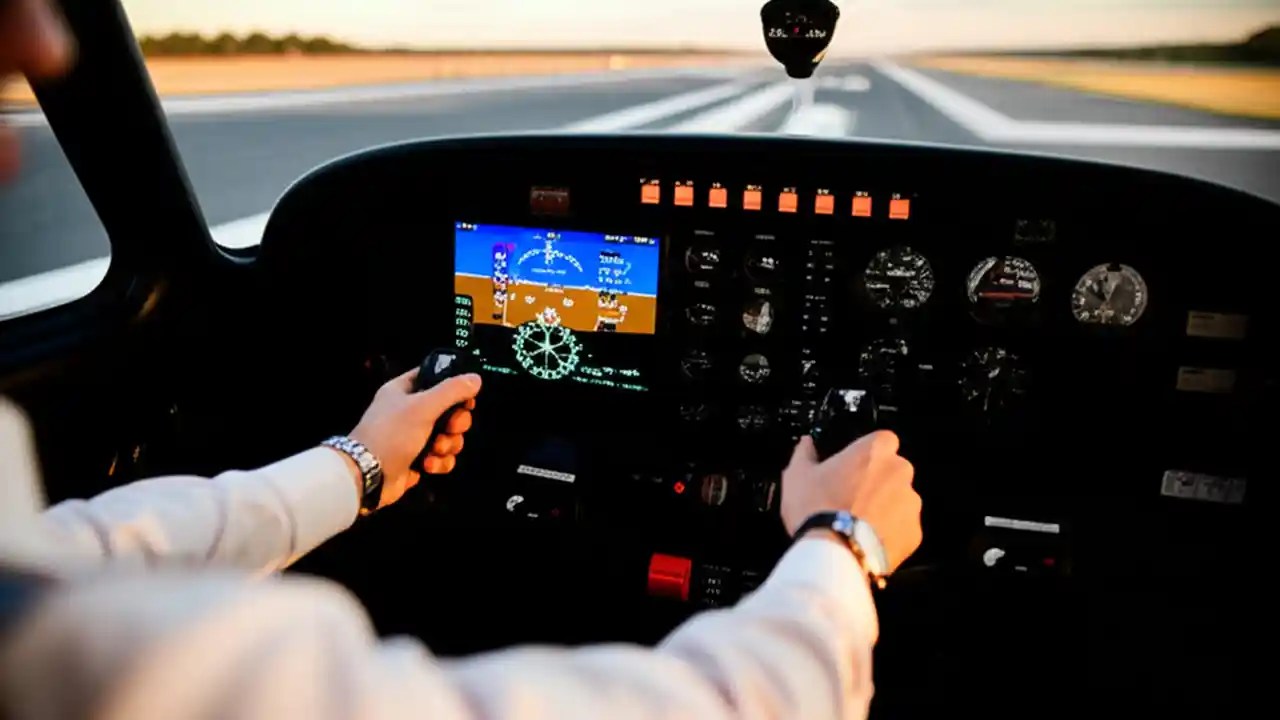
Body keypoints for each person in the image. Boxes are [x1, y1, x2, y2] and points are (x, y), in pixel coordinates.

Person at [1, 2, 924, 718]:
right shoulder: (84, 670)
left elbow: (89, 553)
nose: (42, 42)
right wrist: (841, 543)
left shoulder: (33, 596)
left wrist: (357, 464)